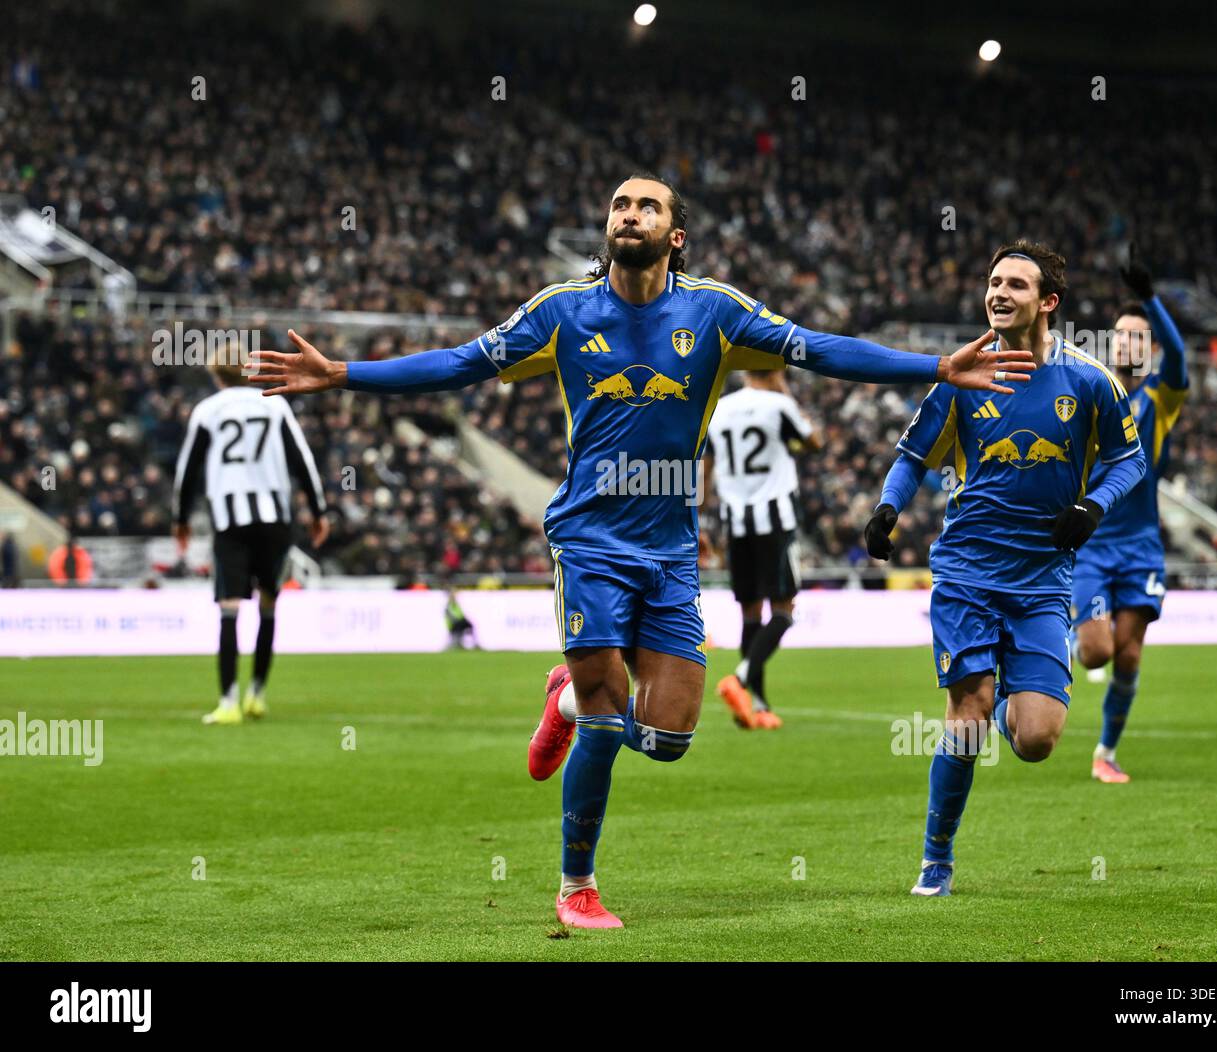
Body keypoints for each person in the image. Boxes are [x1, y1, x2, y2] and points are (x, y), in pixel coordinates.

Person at [250, 173, 1034, 928]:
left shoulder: (716, 312)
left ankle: (562, 697)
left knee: (666, 738)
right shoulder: (562, 310)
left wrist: (936, 367)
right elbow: (460, 364)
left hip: (669, 550)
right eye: (620, 205)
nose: (629, 214)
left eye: (646, 206)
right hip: (588, 538)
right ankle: (577, 886)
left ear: (675, 234)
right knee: (606, 714)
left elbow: (816, 349)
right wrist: (342, 374)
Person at [863, 240, 1146, 896]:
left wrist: (1094, 507)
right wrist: (887, 508)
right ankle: (936, 858)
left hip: (1043, 579)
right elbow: (913, 455)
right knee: (968, 718)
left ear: (1048, 302)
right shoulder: (963, 373)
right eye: (994, 282)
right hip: (967, 570)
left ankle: (1006, 697)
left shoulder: (1089, 380)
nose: (998, 293)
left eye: (1016, 284)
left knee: (1036, 740)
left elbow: (1128, 459)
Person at [1071, 245, 1189, 783]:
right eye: (1121, 334)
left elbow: (1180, 356)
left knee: (1129, 657)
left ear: (1150, 347)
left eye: (1139, 336)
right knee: (1097, 652)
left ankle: (1105, 752)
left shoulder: (1161, 399)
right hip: (1093, 544)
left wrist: (1149, 299)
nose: (1127, 342)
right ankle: (1066, 640)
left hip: (1141, 546)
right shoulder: (1090, 391)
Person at [173, 357, 328, 725]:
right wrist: (318, 511)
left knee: (229, 606)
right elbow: (302, 460)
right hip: (275, 518)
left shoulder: (207, 410)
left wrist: (180, 518)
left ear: (216, 375)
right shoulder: (275, 404)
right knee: (269, 603)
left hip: (230, 518)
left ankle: (228, 702)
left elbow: (188, 468)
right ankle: (257, 693)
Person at [704, 370, 822, 729]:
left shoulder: (719, 409)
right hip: (775, 520)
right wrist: (785, 392)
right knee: (784, 611)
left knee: (751, 614)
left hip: (735, 523)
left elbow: (704, 470)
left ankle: (758, 706)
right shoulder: (778, 404)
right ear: (775, 371)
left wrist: (699, 522)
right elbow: (814, 442)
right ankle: (740, 680)